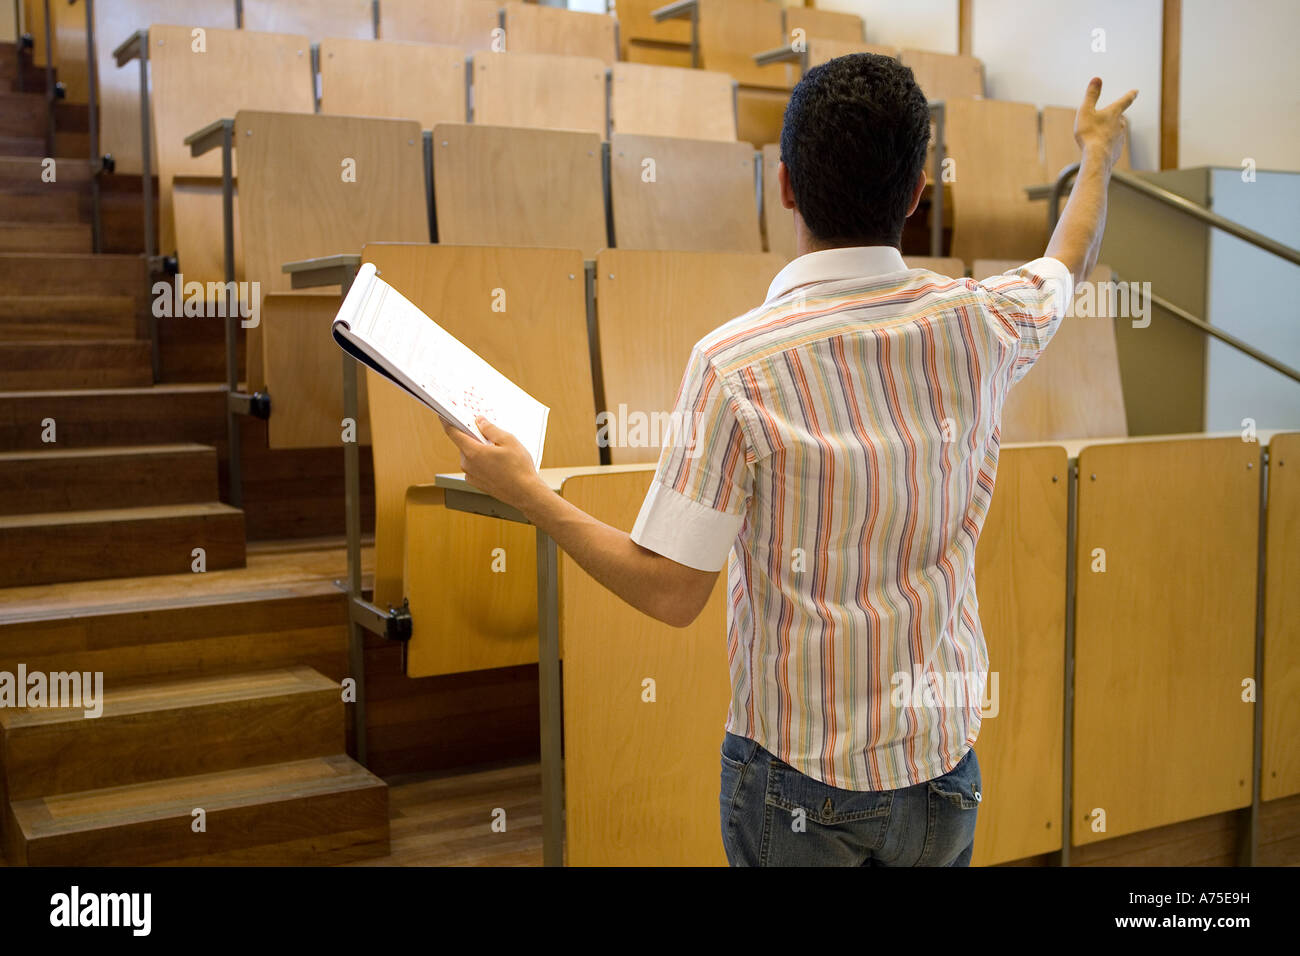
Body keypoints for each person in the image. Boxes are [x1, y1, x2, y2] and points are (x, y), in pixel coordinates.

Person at [441, 54, 1136, 867]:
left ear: (784, 186)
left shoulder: (736, 363)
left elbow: (670, 591)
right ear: (917, 191)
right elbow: (1069, 259)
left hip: (801, 785)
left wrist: (528, 492)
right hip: (945, 770)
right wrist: (1096, 154)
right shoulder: (981, 323)